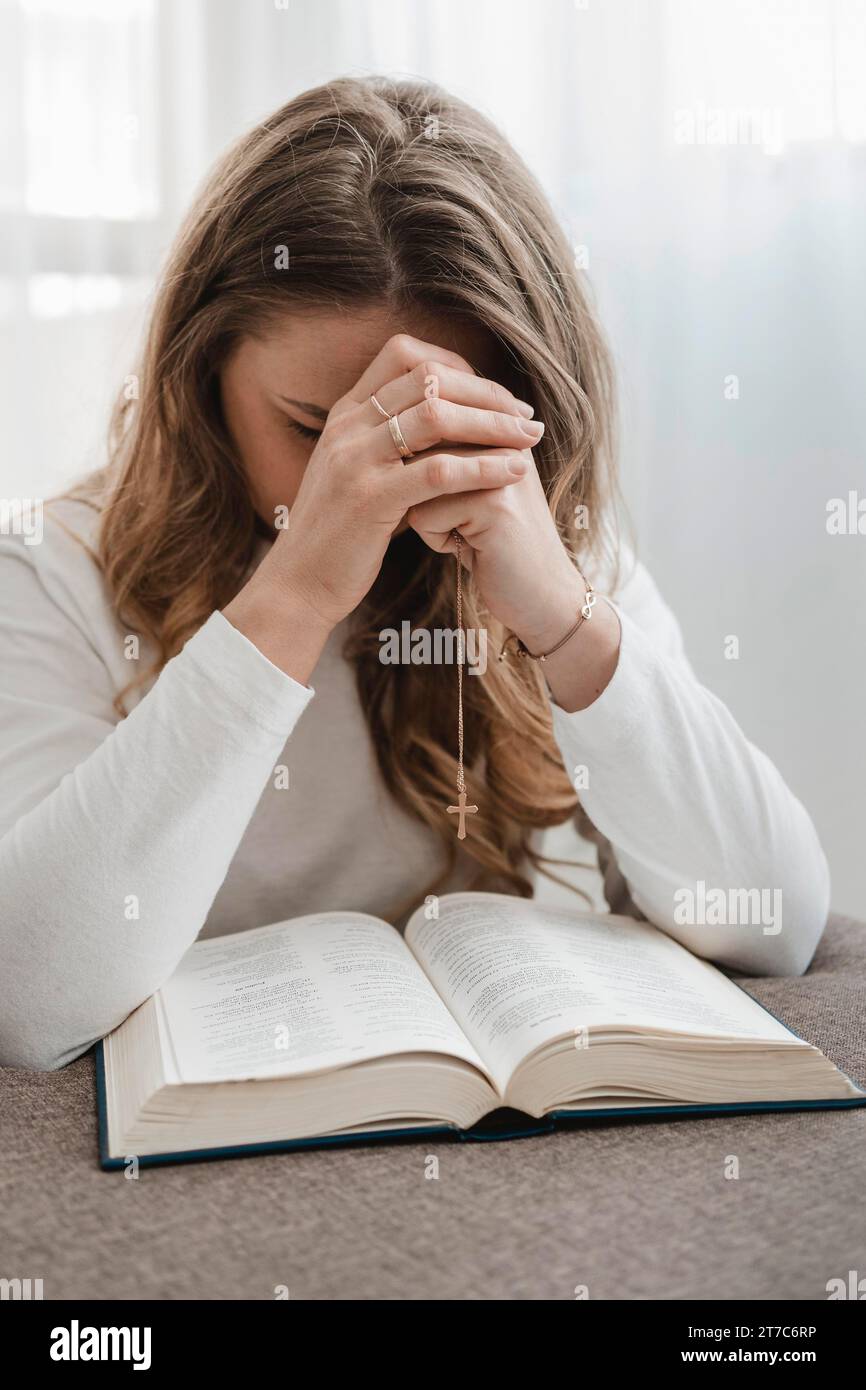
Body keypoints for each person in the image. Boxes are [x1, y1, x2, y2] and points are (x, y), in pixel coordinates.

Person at [0, 77, 829, 1070]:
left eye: (436, 428)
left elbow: (772, 924)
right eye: (313, 427)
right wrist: (293, 599)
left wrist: (565, 623)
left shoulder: (548, 545)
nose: (369, 481)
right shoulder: (54, 570)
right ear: (200, 373)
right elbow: (27, 1001)